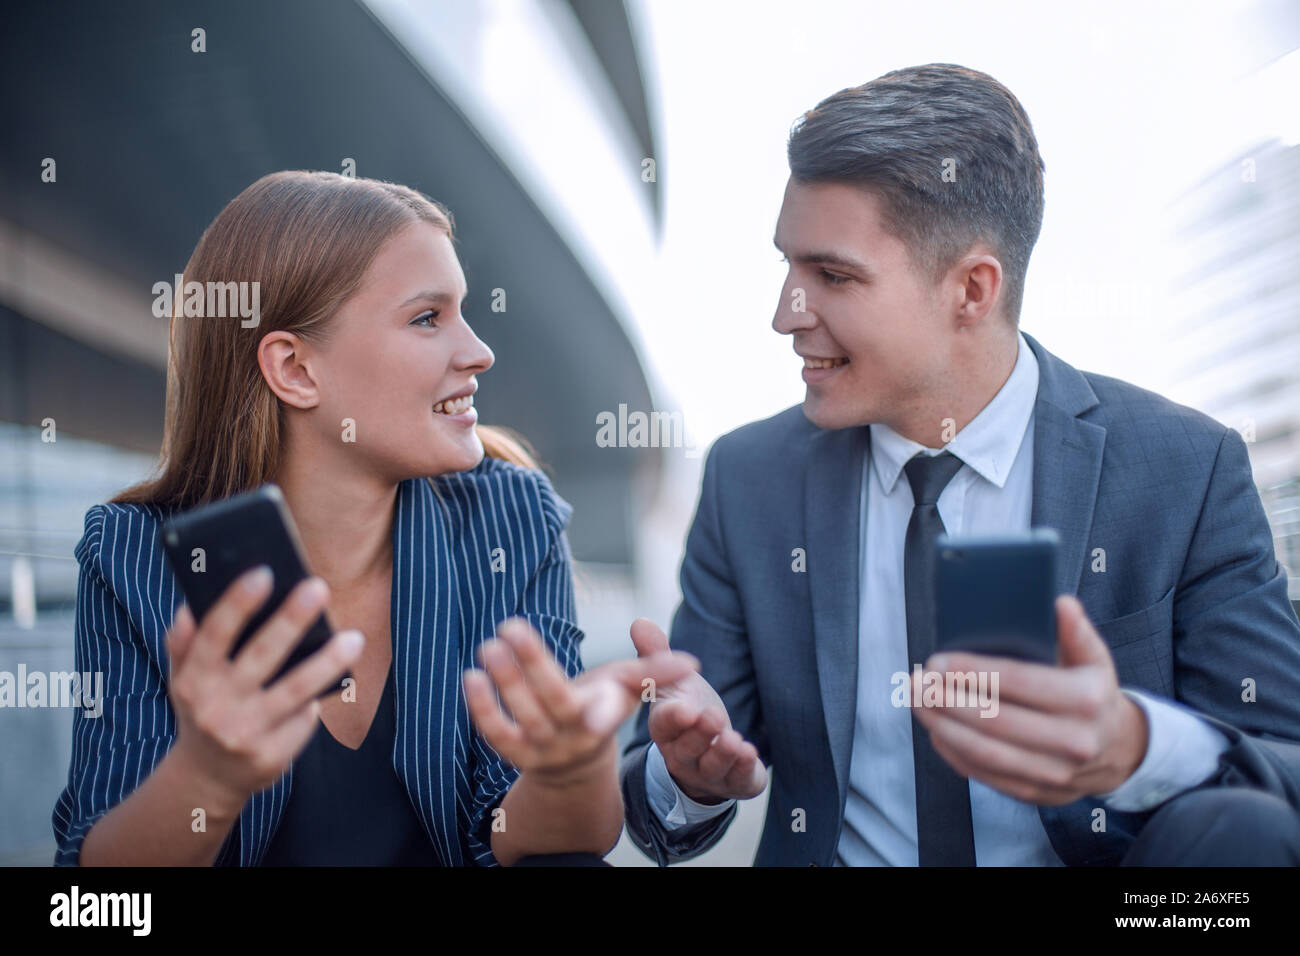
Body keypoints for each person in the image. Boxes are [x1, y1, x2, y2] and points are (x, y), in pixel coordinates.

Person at [620, 63, 1300, 866]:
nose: (785, 316)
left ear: (972, 289)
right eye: (788, 269)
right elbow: (661, 801)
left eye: (832, 276)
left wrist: (1135, 745)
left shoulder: (1183, 468)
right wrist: (686, 775)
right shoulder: (749, 479)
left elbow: (1281, 770)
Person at [51, 170, 696, 866]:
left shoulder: (510, 519)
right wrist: (206, 776)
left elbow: (544, 845)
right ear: (295, 369)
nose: (479, 351)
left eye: (464, 310)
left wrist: (569, 771)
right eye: (428, 318)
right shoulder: (133, 556)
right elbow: (94, 908)